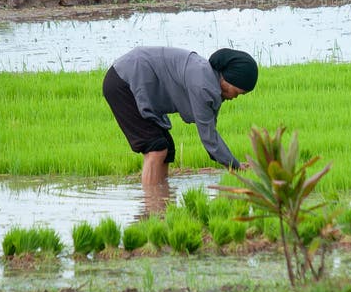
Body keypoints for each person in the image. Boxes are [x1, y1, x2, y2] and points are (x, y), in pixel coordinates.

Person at [102, 46, 258, 190]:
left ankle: (161, 204)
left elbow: (210, 129)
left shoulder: (209, 78)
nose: (236, 97)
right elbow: (209, 137)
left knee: (166, 148)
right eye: (238, 92)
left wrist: (232, 164)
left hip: (137, 81)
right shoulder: (204, 85)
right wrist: (235, 168)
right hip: (124, 83)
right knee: (155, 148)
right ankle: (150, 205)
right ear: (227, 79)